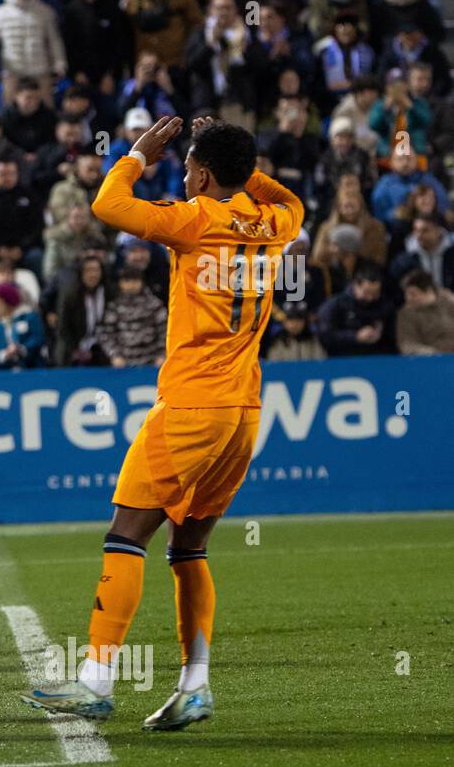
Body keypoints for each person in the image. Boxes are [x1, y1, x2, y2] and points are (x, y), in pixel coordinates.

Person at [21, 116, 304, 729]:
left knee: (126, 535)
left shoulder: (194, 219)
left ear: (202, 173)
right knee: (188, 547)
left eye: (189, 165)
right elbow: (292, 200)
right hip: (244, 414)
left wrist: (136, 156)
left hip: (191, 407)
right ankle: (194, 687)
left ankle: (95, 680)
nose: (180, 172)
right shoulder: (276, 224)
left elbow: (107, 203)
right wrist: (237, 165)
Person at [315, 262, 396, 355]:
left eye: (375, 293)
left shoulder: (385, 306)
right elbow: (325, 335)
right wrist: (355, 336)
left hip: (375, 359)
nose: (370, 298)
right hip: (342, 359)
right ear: (356, 286)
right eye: (366, 292)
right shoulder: (335, 305)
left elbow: (391, 339)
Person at [97, 266, 168, 366]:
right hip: (123, 365)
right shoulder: (114, 307)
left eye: (135, 280)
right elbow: (106, 334)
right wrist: (115, 355)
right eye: (127, 280)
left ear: (142, 282)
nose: (131, 285)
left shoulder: (154, 305)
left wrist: (162, 355)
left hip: (153, 363)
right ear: (120, 283)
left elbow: (165, 332)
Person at [0, 281, 46, 368]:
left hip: (31, 370)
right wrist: (4, 354)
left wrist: (21, 349)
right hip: (2, 375)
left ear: (6, 301)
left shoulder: (30, 318)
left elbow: (38, 339)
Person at [396, 269, 454, 354]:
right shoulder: (406, 314)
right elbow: (407, 344)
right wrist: (435, 353)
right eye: (406, 294)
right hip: (430, 361)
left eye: (413, 294)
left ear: (428, 291)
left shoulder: (449, 304)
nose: (408, 298)